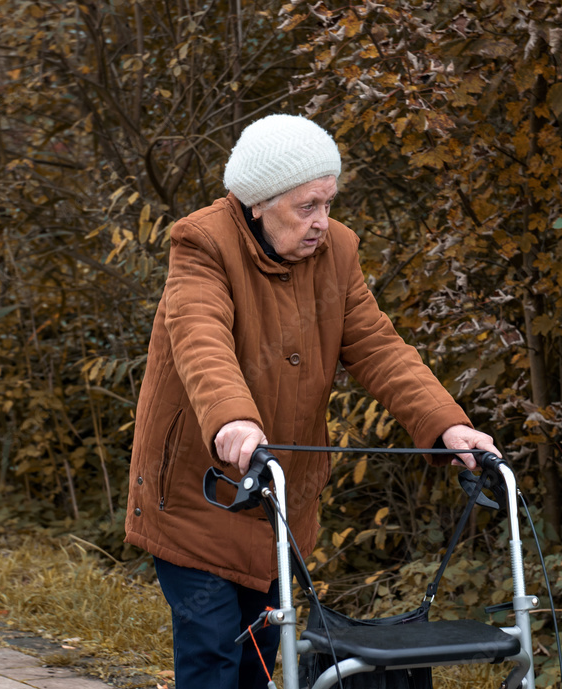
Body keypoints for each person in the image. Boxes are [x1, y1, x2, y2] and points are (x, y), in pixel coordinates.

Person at [125, 113, 500, 689]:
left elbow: (378, 346)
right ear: (257, 202)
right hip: (197, 492)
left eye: (328, 203)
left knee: (259, 654)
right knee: (213, 654)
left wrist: (446, 424)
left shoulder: (338, 251)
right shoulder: (200, 243)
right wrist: (233, 418)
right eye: (307, 207)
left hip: (279, 497)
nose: (322, 222)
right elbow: (202, 339)